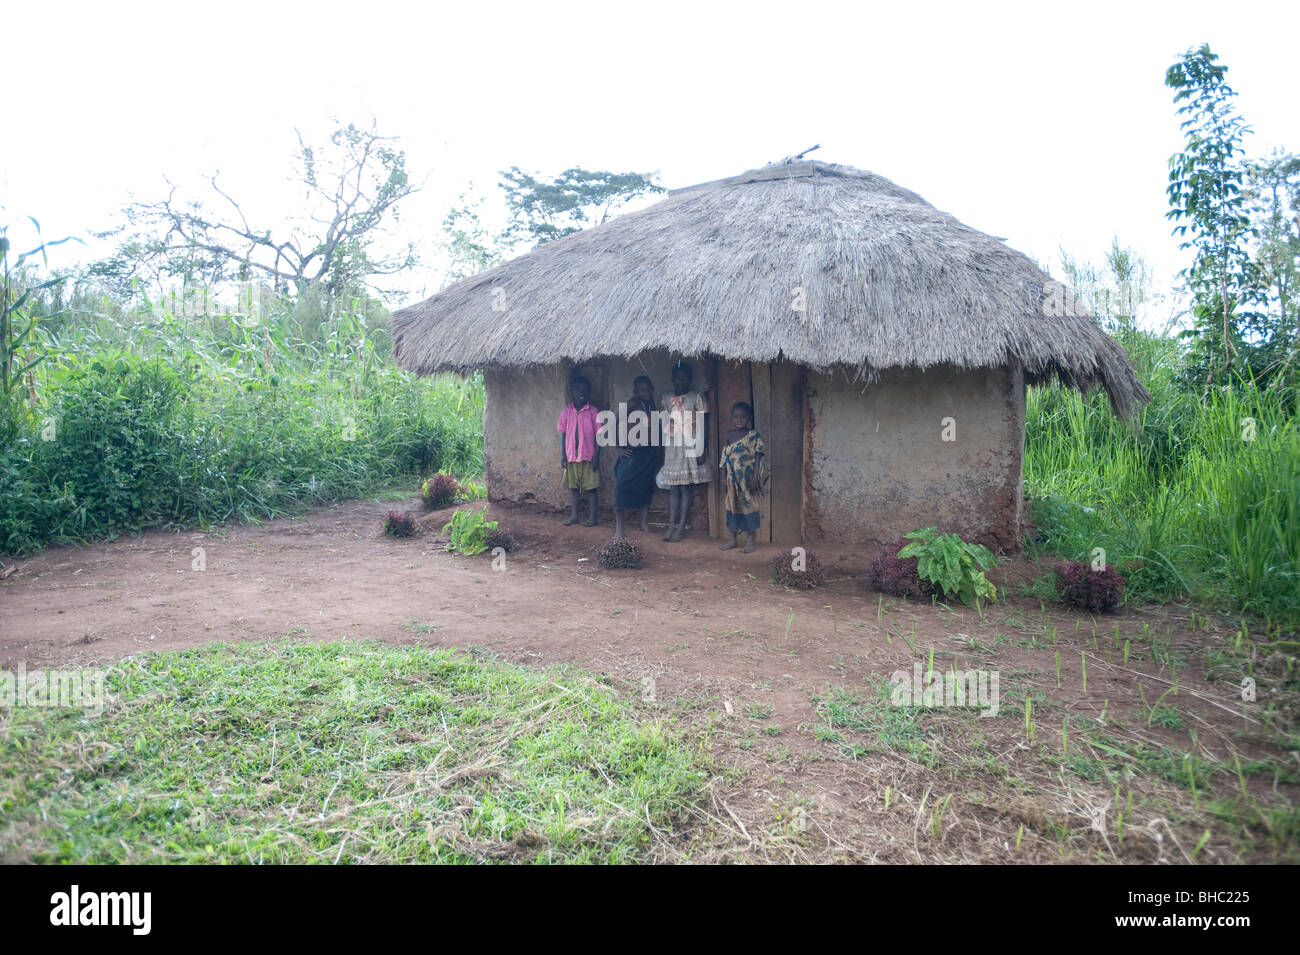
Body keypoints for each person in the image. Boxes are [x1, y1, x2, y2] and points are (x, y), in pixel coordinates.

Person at [659, 360, 709, 542]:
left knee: (686, 488)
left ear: (690, 379)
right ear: (672, 379)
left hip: (690, 445)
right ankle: (671, 525)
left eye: (684, 379)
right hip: (672, 447)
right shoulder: (665, 398)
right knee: (673, 488)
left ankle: (681, 527)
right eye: (677, 378)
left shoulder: (697, 397)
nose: (681, 381)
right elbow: (663, 423)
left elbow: (704, 424)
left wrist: (702, 447)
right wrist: (660, 448)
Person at [718, 401, 767, 553]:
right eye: (736, 417)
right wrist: (724, 477)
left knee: (749, 507)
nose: (739, 420)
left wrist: (755, 478)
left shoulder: (754, 436)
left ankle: (751, 541)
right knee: (731, 506)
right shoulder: (728, 435)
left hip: (747, 479)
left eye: (743, 417)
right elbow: (725, 458)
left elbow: (758, 458)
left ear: (749, 418)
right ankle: (733, 540)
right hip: (732, 480)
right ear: (732, 418)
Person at [614, 375, 659, 539]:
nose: (646, 392)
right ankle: (619, 528)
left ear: (652, 389)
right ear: (635, 391)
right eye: (642, 389)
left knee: (646, 486)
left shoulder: (651, 404)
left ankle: (644, 522)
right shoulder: (633, 404)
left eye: (648, 388)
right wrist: (617, 448)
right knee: (621, 483)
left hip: (648, 452)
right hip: (632, 452)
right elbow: (612, 421)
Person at [557, 376, 601, 526]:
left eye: (584, 390)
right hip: (571, 456)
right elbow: (563, 435)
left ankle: (593, 517)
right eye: (577, 390)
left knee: (591, 488)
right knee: (573, 487)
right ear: (572, 391)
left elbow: (599, 436)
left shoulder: (593, 412)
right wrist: (563, 455)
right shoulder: (566, 413)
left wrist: (596, 457)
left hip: (588, 456)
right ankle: (575, 516)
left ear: (588, 392)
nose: (580, 393)